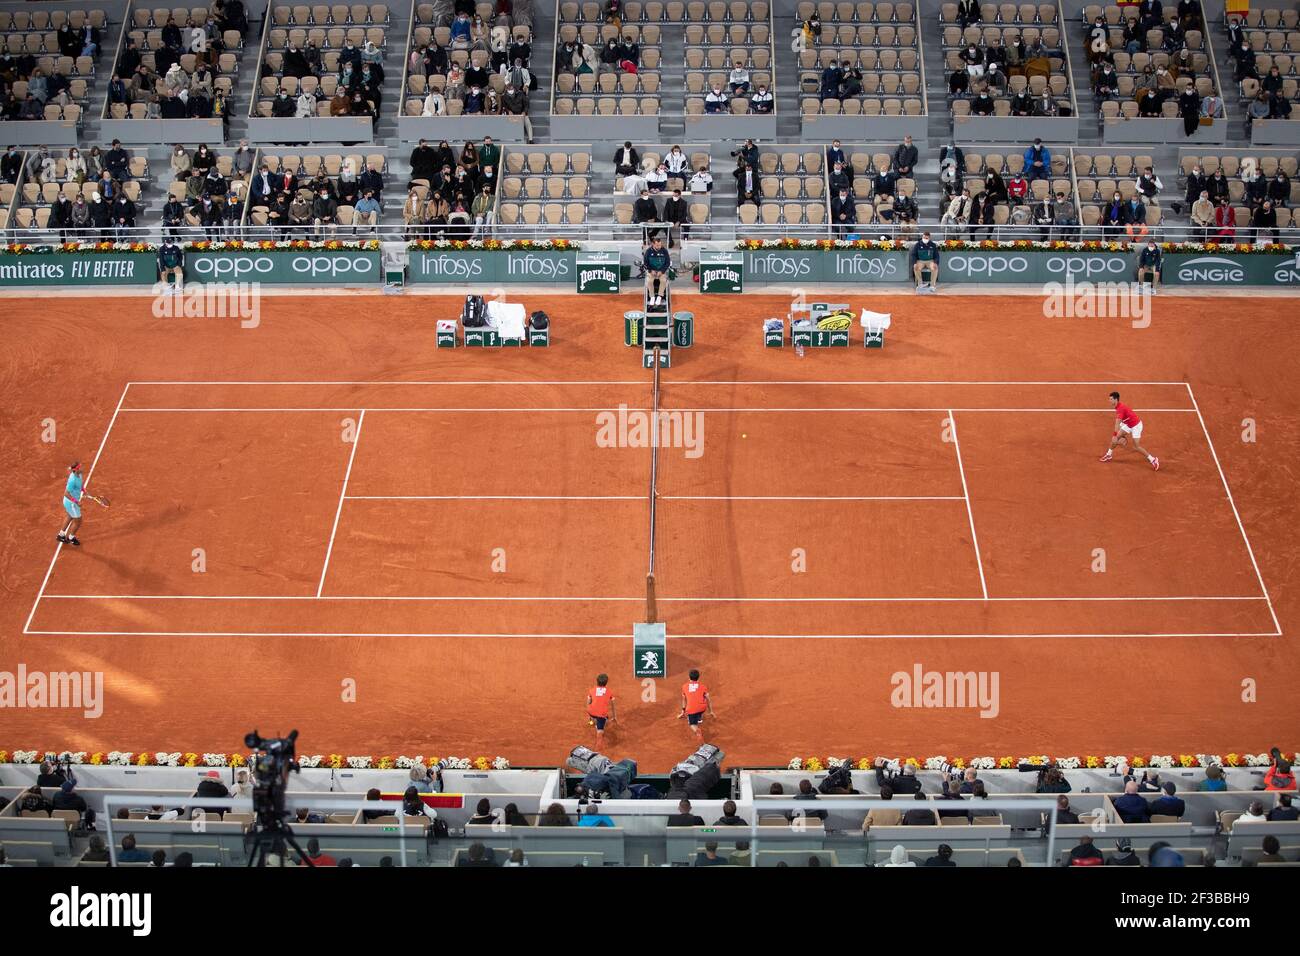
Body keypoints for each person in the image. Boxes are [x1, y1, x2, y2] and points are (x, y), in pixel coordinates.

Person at [1100, 391, 1160, 469]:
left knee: (1136, 446)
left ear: (1116, 400)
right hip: (1128, 424)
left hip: (1136, 426)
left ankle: (1153, 459)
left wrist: (1114, 435)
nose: (1109, 401)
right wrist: (1116, 436)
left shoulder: (1120, 409)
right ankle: (1109, 454)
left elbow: (1117, 423)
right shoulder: (1118, 407)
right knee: (1116, 437)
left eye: (1111, 399)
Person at [57, 461, 102, 546]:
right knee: (78, 521)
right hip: (71, 503)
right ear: (76, 470)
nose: (82, 468)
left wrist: (84, 491)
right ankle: (71, 538)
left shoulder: (79, 474)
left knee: (70, 516)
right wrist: (77, 502)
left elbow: (80, 485)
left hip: (72, 502)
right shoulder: (72, 480)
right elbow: (66, 494)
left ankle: (61, 535)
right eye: (80, 467)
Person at [679, 667, 712, 740]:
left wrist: (683, 711)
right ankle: (699, 717)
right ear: (698, 678)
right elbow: (708, 699)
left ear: (689, 677)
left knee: (692, 724)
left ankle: (697, 731)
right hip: (703, 708)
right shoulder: (703, 687)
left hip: (691, 709)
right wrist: (711, 711)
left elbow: (684, 700)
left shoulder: (684, 687)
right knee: (700, 705)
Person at [586, 673, 616, 744]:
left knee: (596, 715)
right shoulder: (609, 692)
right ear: (606, 683)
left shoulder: (592, 690)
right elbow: (613, 705)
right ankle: (598, 744)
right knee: (600, 730)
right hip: (601, 714)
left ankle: (593, 720)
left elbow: (588, 702)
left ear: (597, 681)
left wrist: (589, 716)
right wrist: (614, 717)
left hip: (591, 712)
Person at [643, 234, 670, 307]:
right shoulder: (648, 251)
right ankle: (652, 297)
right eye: (657, 245)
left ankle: (659, 296)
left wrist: (662, 271)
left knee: (663, 281)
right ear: (653, 244)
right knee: (649, 281)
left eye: (660, 245)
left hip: (661, 272)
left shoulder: (664, 251)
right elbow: (645, 263)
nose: (659, 247)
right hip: (651, 271)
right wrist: (650, 270)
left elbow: (667, 263)